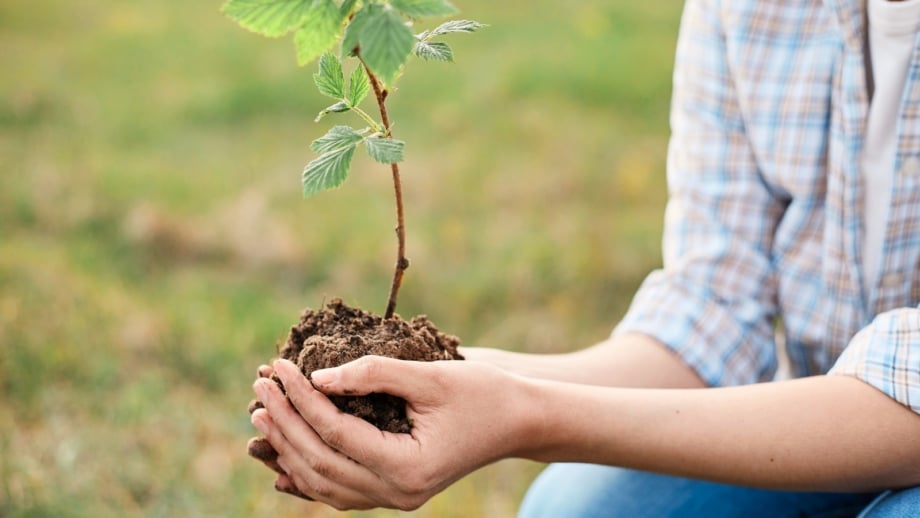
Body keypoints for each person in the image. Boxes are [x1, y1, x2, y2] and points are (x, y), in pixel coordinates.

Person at [248, 0, 920, 515]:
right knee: (571, 508)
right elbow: (711, 310)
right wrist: (442, 372)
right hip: (800, 422)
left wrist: (527, 414)